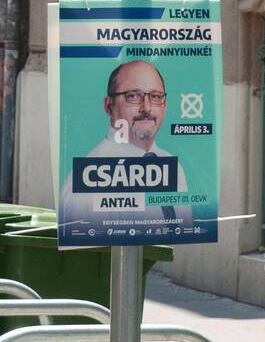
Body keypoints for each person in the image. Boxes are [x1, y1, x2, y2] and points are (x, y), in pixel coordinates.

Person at [60, 59, 190, 232]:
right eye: (133, 96)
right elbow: (89, 257)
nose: (147, 107)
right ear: (108, 106)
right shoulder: (85, 183)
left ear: (164, 106)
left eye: (155, 96)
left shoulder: (172, 166)